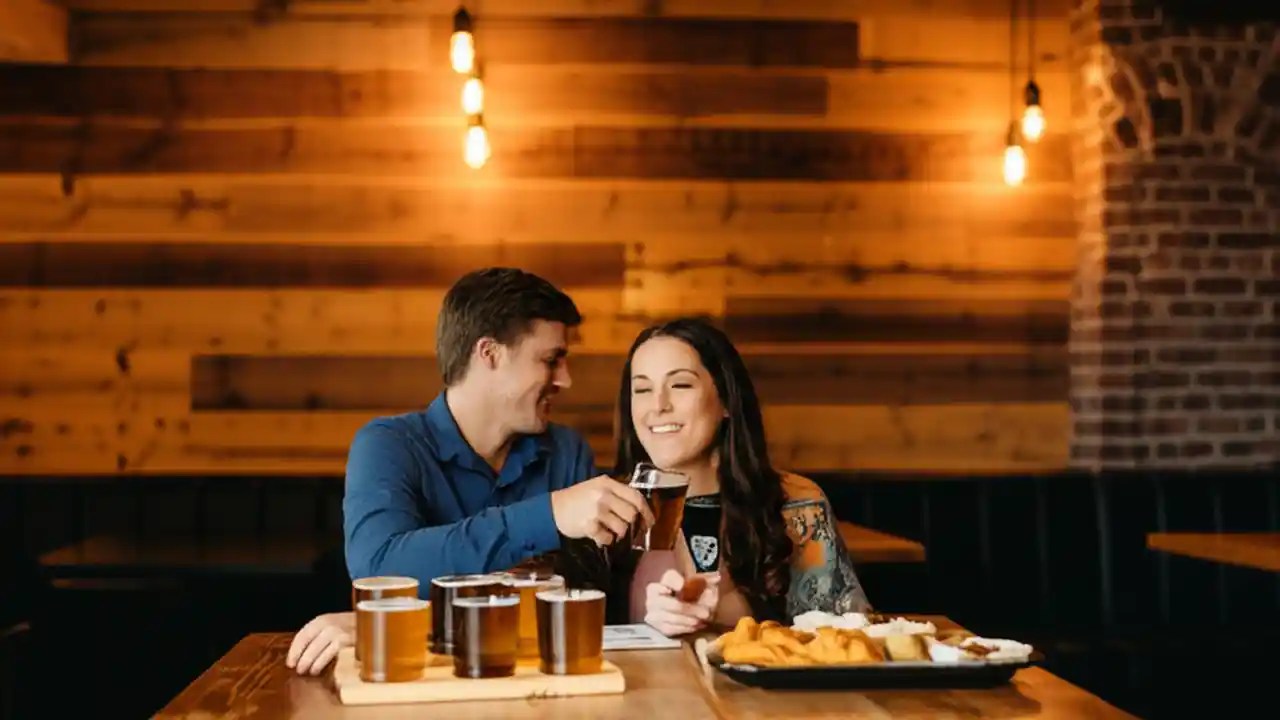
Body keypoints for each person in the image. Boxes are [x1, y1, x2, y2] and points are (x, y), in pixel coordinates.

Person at [286, 268, 653, 675]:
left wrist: (402, 623)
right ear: (489, 354)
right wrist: (550, 515)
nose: (565, 379)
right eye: (551, 360)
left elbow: (581, 600)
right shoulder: (388, 445)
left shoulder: (566, 451)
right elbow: (380, 571)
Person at [612, 317, 872, 636]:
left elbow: (847, 634)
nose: (658, 405)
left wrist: (724, 614)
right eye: (642, 389)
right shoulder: (608, 508)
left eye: (680, 385)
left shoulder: (796, 503)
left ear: (725, 401)